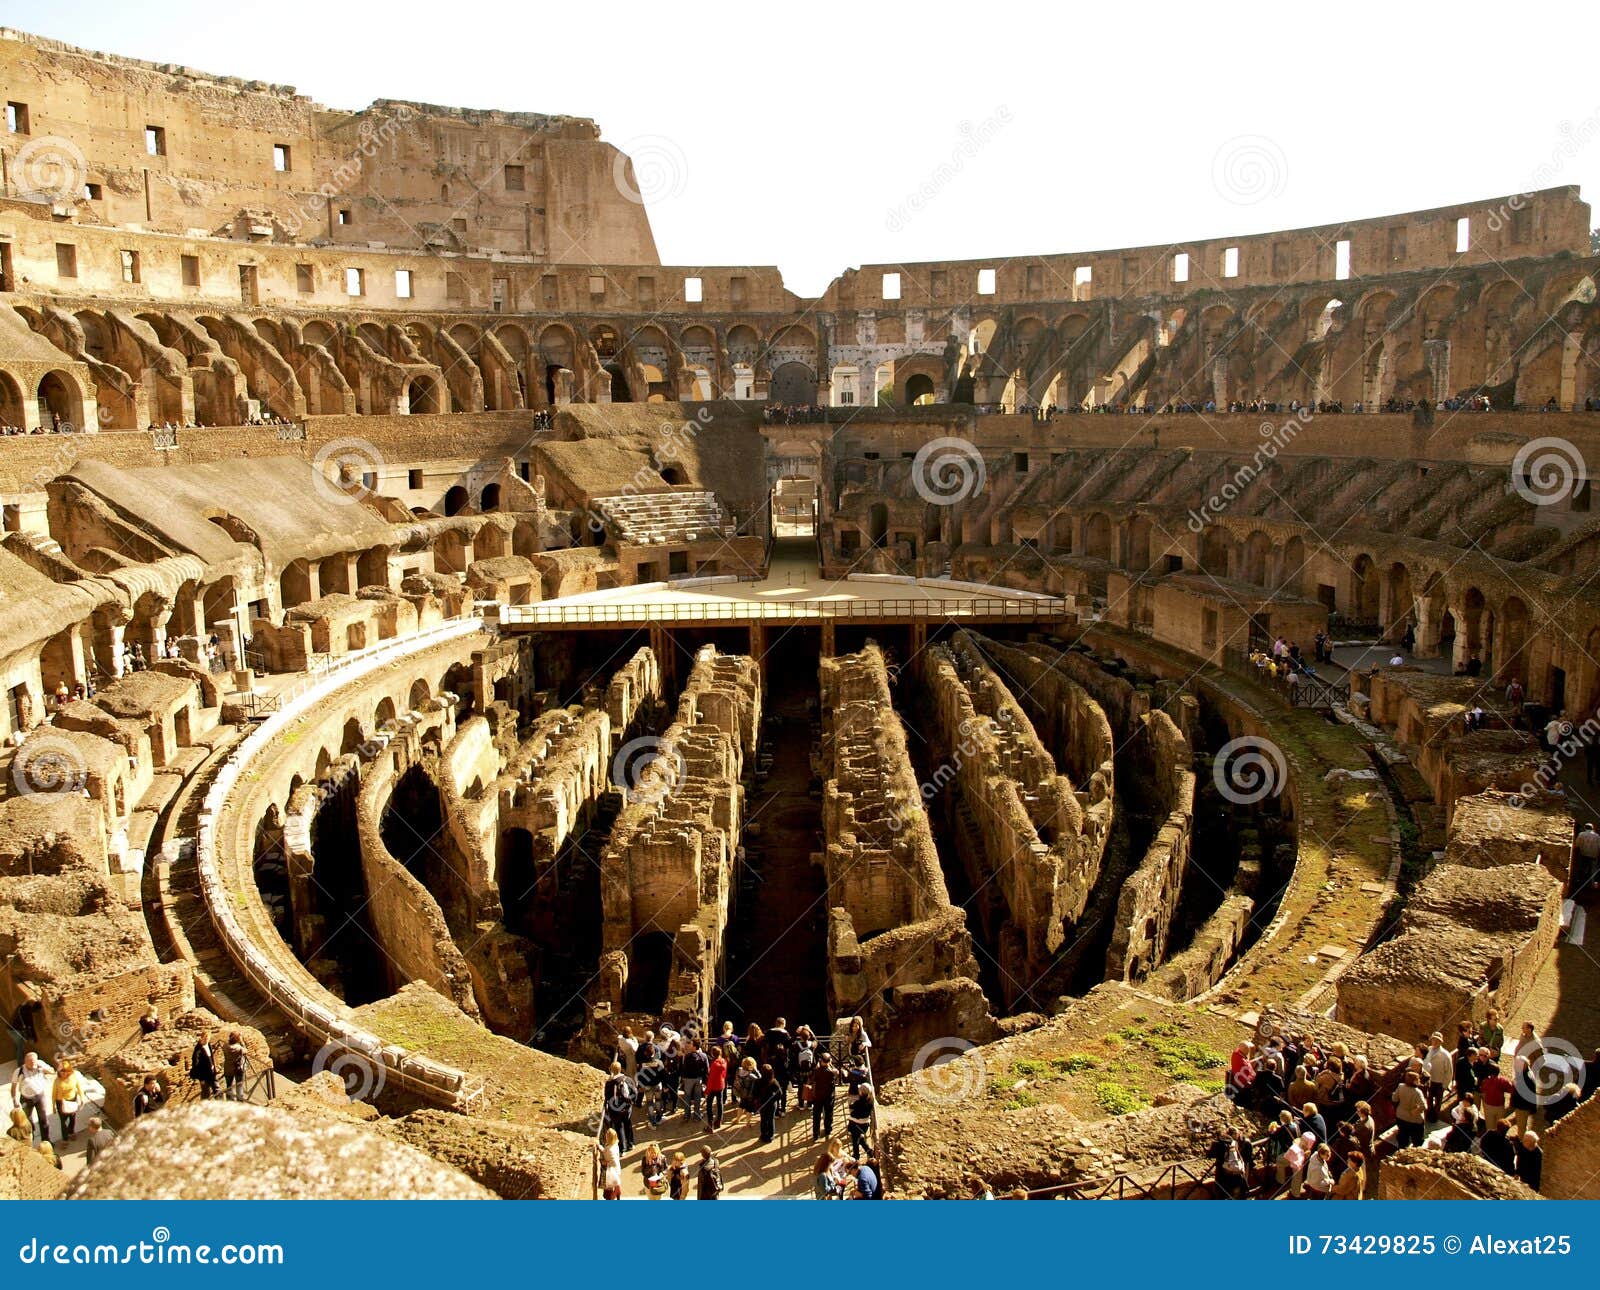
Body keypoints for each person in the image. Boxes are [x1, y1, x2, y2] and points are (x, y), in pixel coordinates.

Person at [10, 1052, 54, 1143]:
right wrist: (14, 1100)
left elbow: (52, 1071)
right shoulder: (18, 1071)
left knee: (44, 1120)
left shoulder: (40, 1064)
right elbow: (13, 1087)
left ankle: (46, 1141)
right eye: (30, 1063)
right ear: (25, 1062)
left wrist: (43, 1068)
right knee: (27, 1120)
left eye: (34, 1062)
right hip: (26, 1099)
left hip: (39, 1096)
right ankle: (30, 1139)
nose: (33, 1064)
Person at [1392, 1071, 1428, 1148]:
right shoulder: (1417, 1092)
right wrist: (1414, 1111)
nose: (1419, 1081)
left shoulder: (1400, 1086)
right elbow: (1424, 1106)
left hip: (1401, 1116)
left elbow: (1394, 1099)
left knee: (1403, 1137)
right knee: (1417, 1140)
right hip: (1414, 1120)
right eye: (1418, 1079)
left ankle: (1401, 1152)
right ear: (1414, 1081)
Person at [809, 1049, 837, 1142]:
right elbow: (837, 1072)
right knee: (828, 1114)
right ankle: (828, 1129)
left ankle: (815, 1134)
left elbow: (813, 1080)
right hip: (829, 1096)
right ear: (829, 1061)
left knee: (816, 1115)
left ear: (821, 1061)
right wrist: (830, 1064)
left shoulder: (816, 1071)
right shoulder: (831, 1072)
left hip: (818, 1096)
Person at [52, 1059, 85, 1140]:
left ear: (68, 1071)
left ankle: (71, 1132)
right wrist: (53, 1106)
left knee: (72, 1118)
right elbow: (53, 1094)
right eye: (61, 1072)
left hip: (72, 1100)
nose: (62, 1073)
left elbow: (79, 1087)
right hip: (61, 1102)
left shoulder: (73, 1077)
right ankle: (65, 1138)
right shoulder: (57, 1081)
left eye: (64, 1071)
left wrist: (82, 1098)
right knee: (63, 1122)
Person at [847, 1082, 875, 1160]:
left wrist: (851, 1105)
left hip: (856, 1125)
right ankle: (869, 1151)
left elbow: (853, 1113)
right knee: (860, 1138)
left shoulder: (858, 1103)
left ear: (861, 1092)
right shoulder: (870, 1102)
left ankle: (856, 1156)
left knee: (855, 1140)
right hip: (865, 1125)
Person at [756, 1062, 781, 1143]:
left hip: (762, 1104)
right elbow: (780, 1093)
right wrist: (775, 1099)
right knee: (771, 1119)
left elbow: (754, 1093)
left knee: (763, 1119)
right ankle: (770, 1136)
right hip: (772, 1104)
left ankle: (763, 1135)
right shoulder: (774, 1082)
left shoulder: (758, 1081)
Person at [705, 1045, 728, 1130]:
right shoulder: (724, 1061)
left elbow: (711, 1079)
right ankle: (719, 1121)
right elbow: (724, 1074)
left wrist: (707, 1091)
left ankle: (710, 1124)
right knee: (720, 1103)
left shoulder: (714, 1065)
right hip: (721, 1084)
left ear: (712, 1054)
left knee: (709, 1105)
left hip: (713, 1086)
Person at [191, 1030, 219, 1099]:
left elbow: (211, 1058)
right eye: (205, 1038)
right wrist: (201, 1079)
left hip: (212, 1073)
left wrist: (214, 1067)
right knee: (206, 1093)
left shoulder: (208, 1045)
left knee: (217, 1090)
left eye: (208, 1038)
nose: (207, 1040)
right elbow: (195, 1065)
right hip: (204, 1075)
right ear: (201, 1038)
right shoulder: (198, 1050)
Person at [224, 1031, 250, 1100]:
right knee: (239, 1086)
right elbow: (246, 1051)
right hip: (238, 1069)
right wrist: (242, 1042)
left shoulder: (225, 1045)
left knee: (229, 1086)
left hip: (227, 1068)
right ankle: (240, 1102)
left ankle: (230, 1101)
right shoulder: (239, 1048)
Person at [597, 1128, 622, 1199]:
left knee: (609, 1191)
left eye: (607, 1134)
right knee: (616, 1185)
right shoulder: (614, 1144)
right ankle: (618, 1196)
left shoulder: (610, 1149)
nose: (605, 1135)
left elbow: (613, 1161)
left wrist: (605, 1162)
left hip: (611, 1172)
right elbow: (606, 1151)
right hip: (615, 1170)